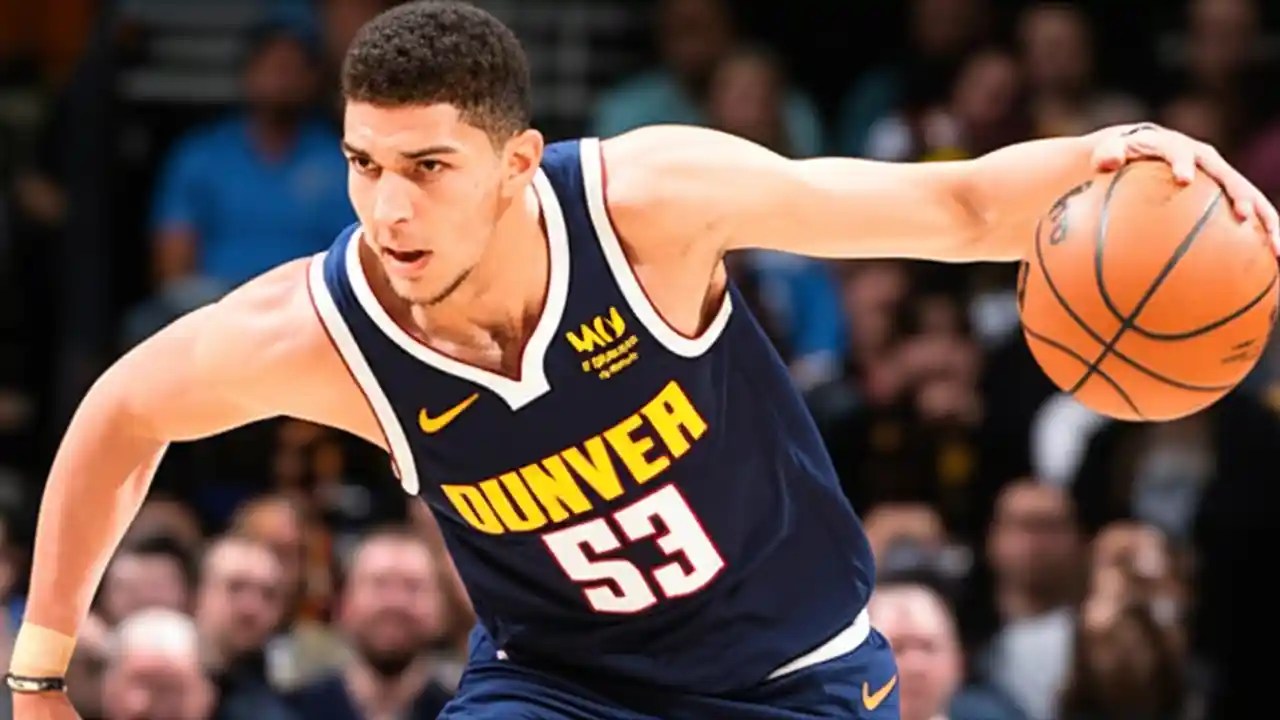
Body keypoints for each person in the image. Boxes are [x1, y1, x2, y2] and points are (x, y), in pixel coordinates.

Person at [7, 2, 1277, 719]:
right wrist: (42, 666)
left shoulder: (647, 208)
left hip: (790, 671)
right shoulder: (325, 328)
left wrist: (1114, 153)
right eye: (364, 165)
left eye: (428, 168)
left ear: (516, 165)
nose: (387, 210)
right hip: (556, 686)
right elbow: (124, 411)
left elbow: (943, 212)